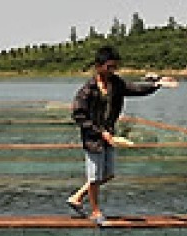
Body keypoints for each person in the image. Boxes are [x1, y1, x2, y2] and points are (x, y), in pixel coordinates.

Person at [66, 46, 167, 224]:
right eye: (109, 67)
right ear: (98, 66)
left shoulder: (116, 83)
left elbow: (136, 89)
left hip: (109, 136)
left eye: (114, 67)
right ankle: (96, 212)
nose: (112, 71)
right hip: (93, 139)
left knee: (109, 174)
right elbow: (78, 115)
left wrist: (157, 85)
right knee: (95, 177)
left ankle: (77, 197)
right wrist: (100, 132)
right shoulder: (87, 90)